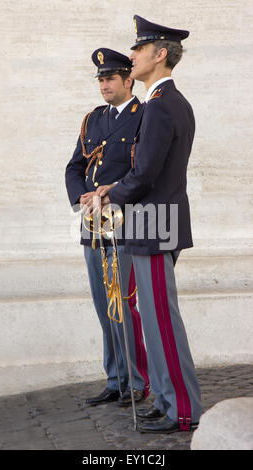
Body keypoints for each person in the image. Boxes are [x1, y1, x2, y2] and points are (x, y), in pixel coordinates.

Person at [96, 16, 203, 433]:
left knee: (162, 322)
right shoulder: (164, 102)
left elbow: (146, 175)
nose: (133, 54)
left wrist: (108, 193)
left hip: (155, 224)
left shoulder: (161, 105)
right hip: (152, 223)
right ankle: (164, 398)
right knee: (154, 322)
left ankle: (183, 409)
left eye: (139, 49)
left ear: (160, 55)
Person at [65, 48, 149, 407]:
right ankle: (115, 379)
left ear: (128, 80)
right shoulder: (92, 121)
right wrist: (82, 196)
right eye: (100, 79)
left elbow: (144, 170)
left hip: (126, 221)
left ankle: (138, 380)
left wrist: (112, 193)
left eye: (110, 78)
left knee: (123, 303)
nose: (104, 85)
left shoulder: (145, 116)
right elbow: (73, 167)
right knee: (103, 304)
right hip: (93, 222)